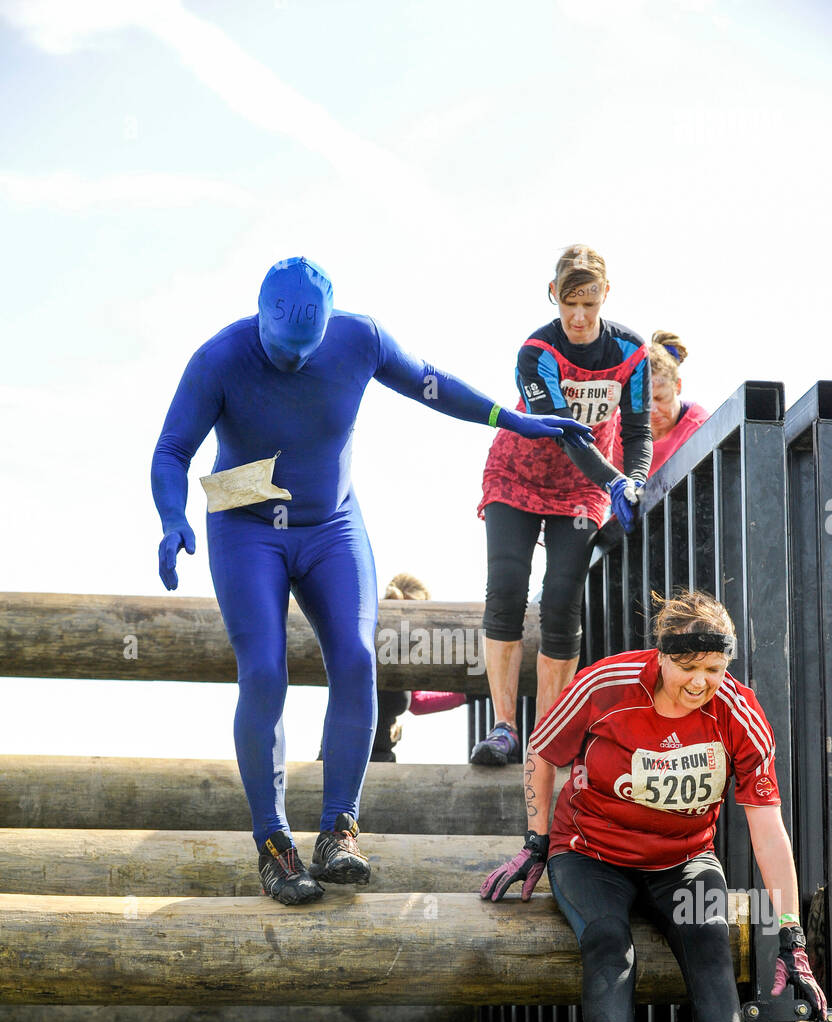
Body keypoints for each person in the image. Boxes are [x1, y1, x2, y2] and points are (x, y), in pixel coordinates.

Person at [151, 257, 594, 906]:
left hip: (331, 523)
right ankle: (274, 846)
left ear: (328, 325)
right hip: (246, 526)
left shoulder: (359, 339)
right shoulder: (219, 359)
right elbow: (171, 450)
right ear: (259, 320)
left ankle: (340, 832)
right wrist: (169, 519)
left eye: (307, 349)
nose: (296, 362)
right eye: (282, 350)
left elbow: (430, 385)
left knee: (357, 660)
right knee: (265, 672)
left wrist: (514, 419)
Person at [480, 589, 828, 1022]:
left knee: (710, 934)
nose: (699, 682)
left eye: (714, 668)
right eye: (687, 667)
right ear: (661, 656)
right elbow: (544, 753)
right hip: (592, 853)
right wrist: (535, 841)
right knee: (608, 938)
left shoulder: (737, 712)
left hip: (683, 859)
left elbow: (767, 827)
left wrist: (792, 935)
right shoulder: (605, 685)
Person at [472, 245, 652, 766]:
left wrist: (633, 481)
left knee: (561, 600)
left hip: (583, 488)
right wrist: (616, 479)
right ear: (553, 295)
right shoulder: (537, 352)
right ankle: (504, 727)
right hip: (518, 476)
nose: (577, 316)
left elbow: (638, 433)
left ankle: (547, 734)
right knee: (506, 591)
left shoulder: (632, 354)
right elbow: (564, 435)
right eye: (568, 303)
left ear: (604, 298)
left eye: (588, 305)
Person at [370, 573, 467, 762]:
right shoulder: (376, 643)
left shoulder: (401, 655)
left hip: (380, 758)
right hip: (354, 760)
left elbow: (417, 701)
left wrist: (466, 695)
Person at [613, 331, 709, 476]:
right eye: (644, 401)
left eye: (660, 398)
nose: (653, 409)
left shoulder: (699, 427)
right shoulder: (619, 430)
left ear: (678, 386)